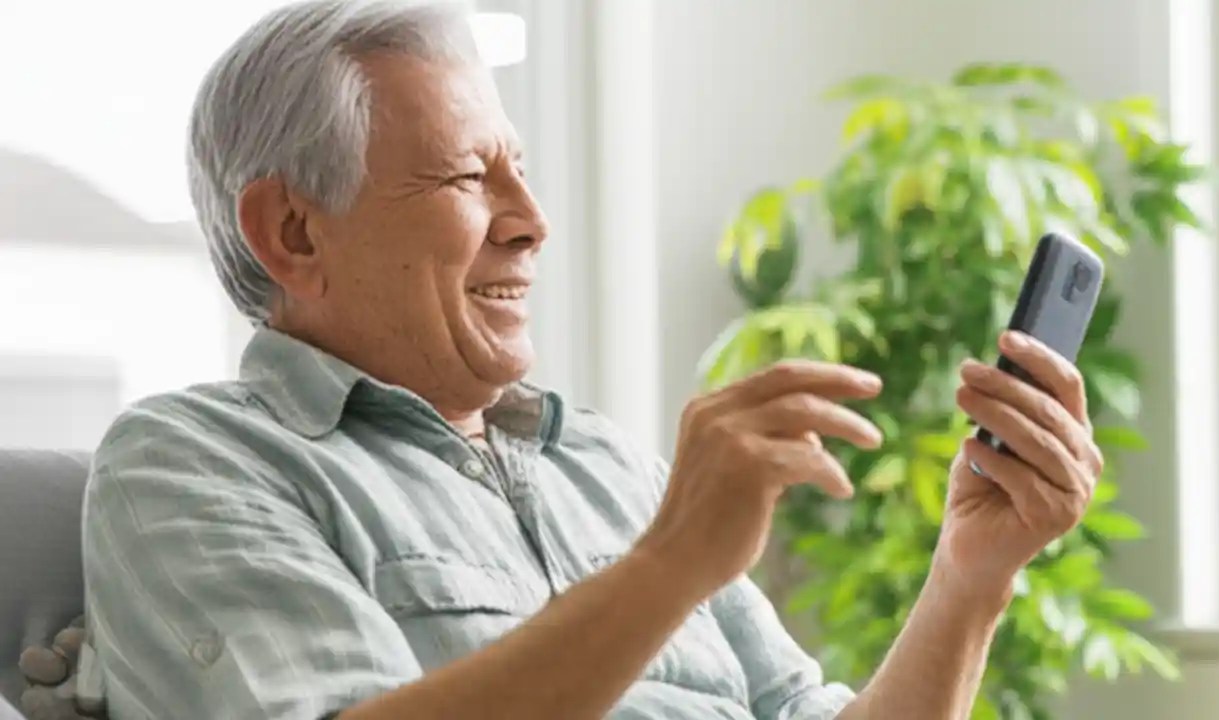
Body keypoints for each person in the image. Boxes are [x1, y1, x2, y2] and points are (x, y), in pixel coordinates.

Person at [80, 1, 1104, 718]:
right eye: (466, 178)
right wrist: (666, 567)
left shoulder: (607, 469)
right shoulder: (190, 464)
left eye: (519, 170)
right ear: (294, 233)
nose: (532, 223)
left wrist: (971, 578)